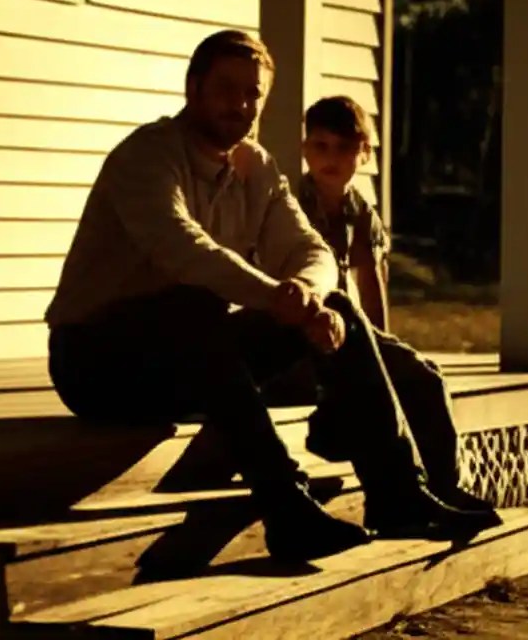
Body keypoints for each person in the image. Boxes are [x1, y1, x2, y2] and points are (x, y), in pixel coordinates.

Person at [44, 30, 500, 563]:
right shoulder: (147, 156)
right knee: (190, 302)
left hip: (190, 359)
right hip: (97, 364)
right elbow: (183, 251)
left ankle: (398, 494)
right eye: (226, 89)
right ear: (193, 88)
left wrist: (306, 295)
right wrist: (273, 298)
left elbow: (310, 248)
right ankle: (286, 507)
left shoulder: (254, 166)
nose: (240, 104)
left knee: (338, 308)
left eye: (253, 94)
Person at [295, 95, 498, 526]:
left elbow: (371, 287)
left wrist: (383, 351)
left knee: (422, 376)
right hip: (301, 332)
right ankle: (403, 496)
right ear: (305, 149)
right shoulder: (290, 204)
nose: (331, 158)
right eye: (320, 146)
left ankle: (439, 485)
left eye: (344, 148)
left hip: (349, 333)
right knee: (395, 381)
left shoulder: (360, 213)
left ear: (364, 153)